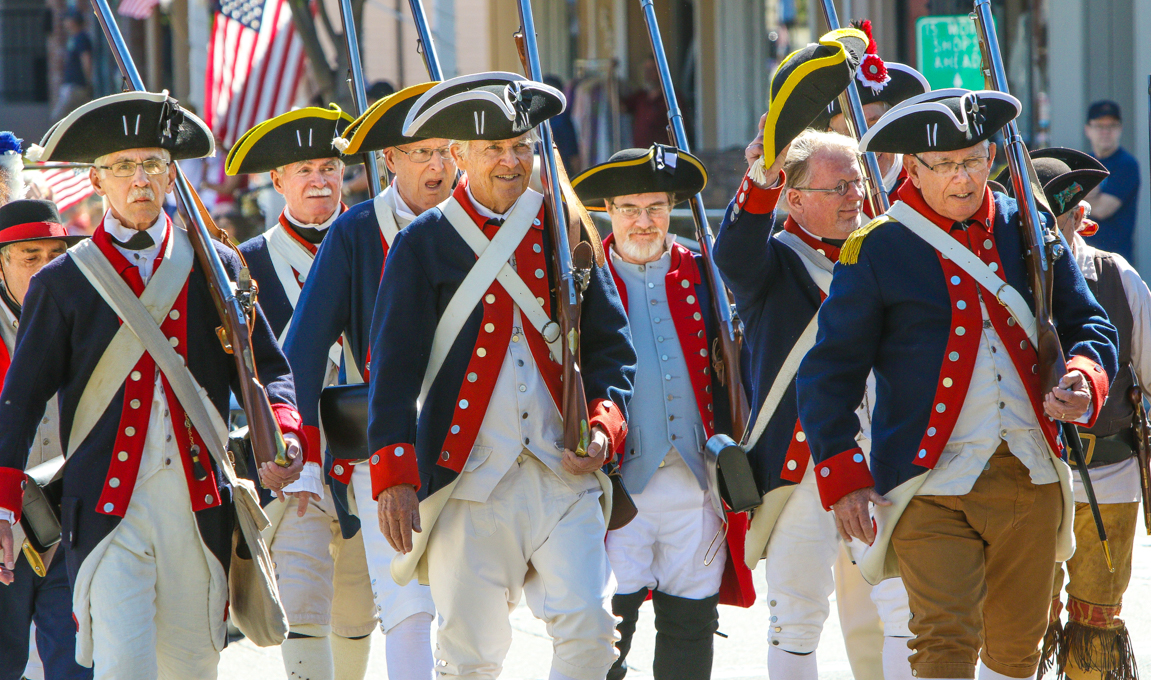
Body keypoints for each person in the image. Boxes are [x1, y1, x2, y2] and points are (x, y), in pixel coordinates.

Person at [797, 89, 1118, 680]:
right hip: (926, 484)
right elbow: (829, 372)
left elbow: (1089, 323)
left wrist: (1083, 375)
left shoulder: (1030, 225)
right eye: (943, 166)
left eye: (971, 160)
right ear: (913, 168)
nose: (961, 179)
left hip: (1032, 472)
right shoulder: (878, 246)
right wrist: (843, 474)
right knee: (942, 644)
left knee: (1016, 651)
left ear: (993, 153)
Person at [0, 90, 307, 680]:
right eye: (122, 166)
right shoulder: (63, 283)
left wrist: (283, 426)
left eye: (152, 165)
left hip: (200, 504)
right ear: (97, 179)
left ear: (170, 176)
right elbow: (21, 401)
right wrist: (5, 500)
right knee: (124, 665)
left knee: (191, 667)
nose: (139, 180)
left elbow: (270, 369)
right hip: (106, 510)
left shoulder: (217, 267)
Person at [366, 72, 635, 680]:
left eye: (522, 147)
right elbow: (394, 367)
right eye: (494, 150)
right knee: (470, 659)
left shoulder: (567, 231)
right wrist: (393, 471)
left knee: (593, 636)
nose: (512, 162)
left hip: (562, 473)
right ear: (458, 156)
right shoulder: (422, 243)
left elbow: (612, 349)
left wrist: (602, 425)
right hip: (467, 480)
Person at [714, 126, 914, 680]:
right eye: (839, 188)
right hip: (797, 467)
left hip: (882, 456)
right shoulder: (771, 264)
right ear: (794, 199)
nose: (856, 195)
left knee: (904, 609)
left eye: (857, 183)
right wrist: (759, 177)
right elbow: (731, 252)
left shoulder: (880, 252)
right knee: (795, 619)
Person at [282, 82, 452, 680]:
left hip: (473, 442)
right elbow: (300, 350)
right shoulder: (355, 233)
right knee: (407, 605)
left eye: (446, 149)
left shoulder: (486, 222)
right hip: (385, 448)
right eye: (420, 152)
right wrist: (301, 454)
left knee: (468, 612)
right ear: (389, 160)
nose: (438, 165)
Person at [571, 144, 755, 679]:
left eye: (655, 207)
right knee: (607, 633)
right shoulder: (582, 280)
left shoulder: (704, 271)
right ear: (608, 212)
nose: (644, 221)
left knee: (691, 629)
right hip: (615, 487)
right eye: (629, 209)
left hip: (696, 485)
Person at [225, 104, 378, 680]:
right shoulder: (247, 265)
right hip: (292, 460)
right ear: (278, 180)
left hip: (368, 451)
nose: (319, 179)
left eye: (329, 166)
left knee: (358, 607)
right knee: (303, 602)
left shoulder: (381, 244)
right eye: (303, 169)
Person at [1018, 148, 1146, 680]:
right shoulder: (1007, 280)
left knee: (1096, 622)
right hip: (1026, 477)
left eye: (1063, 218)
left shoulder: (1117, 277)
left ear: (1077, 218)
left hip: (1110, 478)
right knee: (1020, 623)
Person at [0, 200, 90, 680]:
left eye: (55, 255)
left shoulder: (85, 315)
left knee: (77, 665)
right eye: (29, 256)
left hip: (67, 517)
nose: (44, 268)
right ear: (1, 262)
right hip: (2, 527)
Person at [814, 20, 929, 210]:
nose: (865, 140)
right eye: (851, 130)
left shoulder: (930, 182)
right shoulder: (817, 202)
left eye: (874, 124)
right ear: (830, 136)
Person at [1083, 100, 1141, 263]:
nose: (1106, 132)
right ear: (1088, 130)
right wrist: (1090, 197)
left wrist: (1079, 198)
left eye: (1112, 126)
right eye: (1099, 126)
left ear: (1120, 129)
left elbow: (1102, 209)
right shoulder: (1084, 163)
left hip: (1116, 261)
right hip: (1085, 257)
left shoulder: (1126, 164)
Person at [50, 12, 92, 123]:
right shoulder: (74, 38)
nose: (65, 23)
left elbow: (86, 59)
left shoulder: (81, 37)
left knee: (58, 119)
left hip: (76, 86)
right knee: (75, 120)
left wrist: (88, 82)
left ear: (73, 21)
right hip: (72, 85)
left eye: (67, 20)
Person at [623, 59, 671, 149]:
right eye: (645, 70)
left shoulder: (671, 98)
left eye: (652, 69)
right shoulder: (640, 96)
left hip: (662, 157)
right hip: (640, 155)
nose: (647, 74)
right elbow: (621, 107)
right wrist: (609, 78)